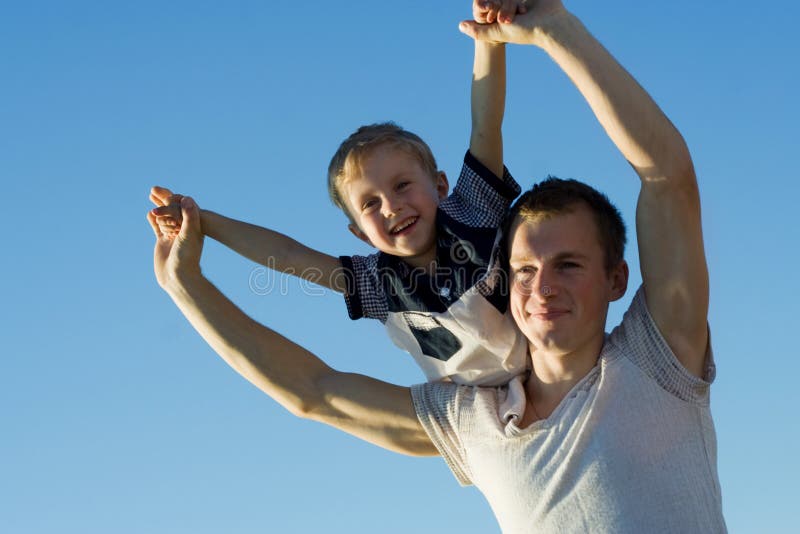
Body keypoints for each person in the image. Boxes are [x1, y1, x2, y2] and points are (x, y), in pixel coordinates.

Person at [148, 1, 726, 532]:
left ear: (615, 279)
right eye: (523, 269)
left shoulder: (655, 360)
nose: (541, 285)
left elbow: (661, 176)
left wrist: (515, 34)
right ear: (357, 230)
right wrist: (194, 260)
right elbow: (313, 387)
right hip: (473, 390)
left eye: (569, 264)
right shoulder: (468, 414)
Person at [149, 0, 531, 387]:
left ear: (440, 186)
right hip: (482, 417)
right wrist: (201, 222)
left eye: (402, 185)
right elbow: (287, 256)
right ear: (360, 234)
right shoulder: (377, 282)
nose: (392, 205)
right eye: (370, 203)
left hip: (551, 372)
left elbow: (486, 125)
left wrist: (489, 41)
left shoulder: (472, 209)